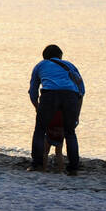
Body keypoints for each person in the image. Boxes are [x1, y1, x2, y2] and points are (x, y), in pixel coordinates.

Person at [29, 45, 85, 176]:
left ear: (44, 56)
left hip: (50, 95)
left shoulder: (40, 65)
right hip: (71, 96)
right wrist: (77, 113)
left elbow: (33, 90)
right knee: (70, 132)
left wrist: (37, 106)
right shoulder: (70, 65)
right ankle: (73, 168)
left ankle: (36, 164)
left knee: (40, 130)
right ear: (60, 55)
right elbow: (81, 90)